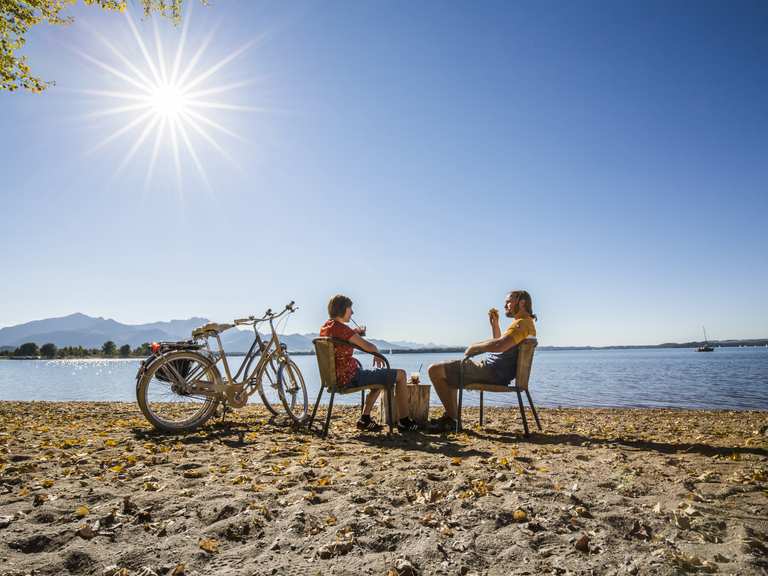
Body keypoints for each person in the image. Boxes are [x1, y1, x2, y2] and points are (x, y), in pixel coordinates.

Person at [426, 290, 537, 432]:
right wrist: (495, 325)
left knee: (435, 370)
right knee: (448, 371)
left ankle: (453, 420)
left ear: (522, 303)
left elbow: (499, 346)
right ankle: (451, 417)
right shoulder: (524, 324)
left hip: (491, 372)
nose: (505, 306)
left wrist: (474, 347)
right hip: (496, 372)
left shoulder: (521, 324)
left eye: (509, 301)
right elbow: (502, 346)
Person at [319, 294, 419, 432]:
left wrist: (355, 333)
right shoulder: (342, 329)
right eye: (350, 309)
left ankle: (365, 419)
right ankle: (404, 421)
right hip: (350, 377)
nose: (352, 312)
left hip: (337, 377)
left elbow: (342, 338)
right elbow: (369, 346)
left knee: (380, 377)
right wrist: (376, 352)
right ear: (343, 309)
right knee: (401, 375)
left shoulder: (326, 327)